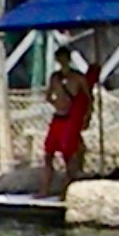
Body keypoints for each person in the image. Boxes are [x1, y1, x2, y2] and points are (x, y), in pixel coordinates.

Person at [43, 45, 99, 198]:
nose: (62, 61)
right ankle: (45, 189)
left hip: (70, 119)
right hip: (58, 117)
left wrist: (87, 116)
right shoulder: (54, 77)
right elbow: (48, 96)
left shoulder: (78, 78)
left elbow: (88, 98)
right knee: (48, 153)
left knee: (68, 154)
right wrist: (57, 103)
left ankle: (67, 189)